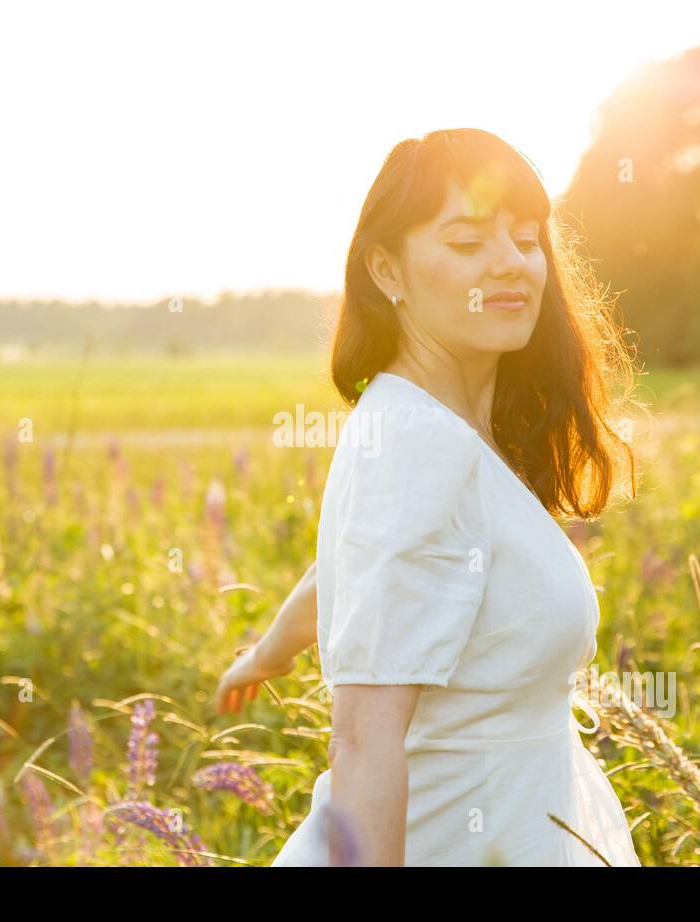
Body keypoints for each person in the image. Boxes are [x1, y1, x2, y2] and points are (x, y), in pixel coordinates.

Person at [215, 128, 641, 866]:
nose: (510, 261)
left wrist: (269, 651)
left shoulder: (434, 424)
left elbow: (366, 570)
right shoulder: (417, 444)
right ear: (389, 271)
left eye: (527, 237)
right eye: (469, 240)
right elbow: (362, 739)